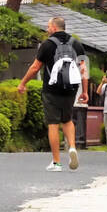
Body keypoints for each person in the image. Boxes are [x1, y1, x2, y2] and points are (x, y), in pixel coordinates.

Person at [17, 16, 88, 172]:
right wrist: (85, 91)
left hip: (51, 89)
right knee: (68, 120)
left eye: (48, 26)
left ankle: (56, 162)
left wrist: (23, 83)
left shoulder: (47, 45)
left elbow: (35, 67)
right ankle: (72, 147)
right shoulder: (76, 44)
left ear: (54, 28)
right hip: (71, 89)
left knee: (53, 124)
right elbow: (83, 69)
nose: (47, 29)